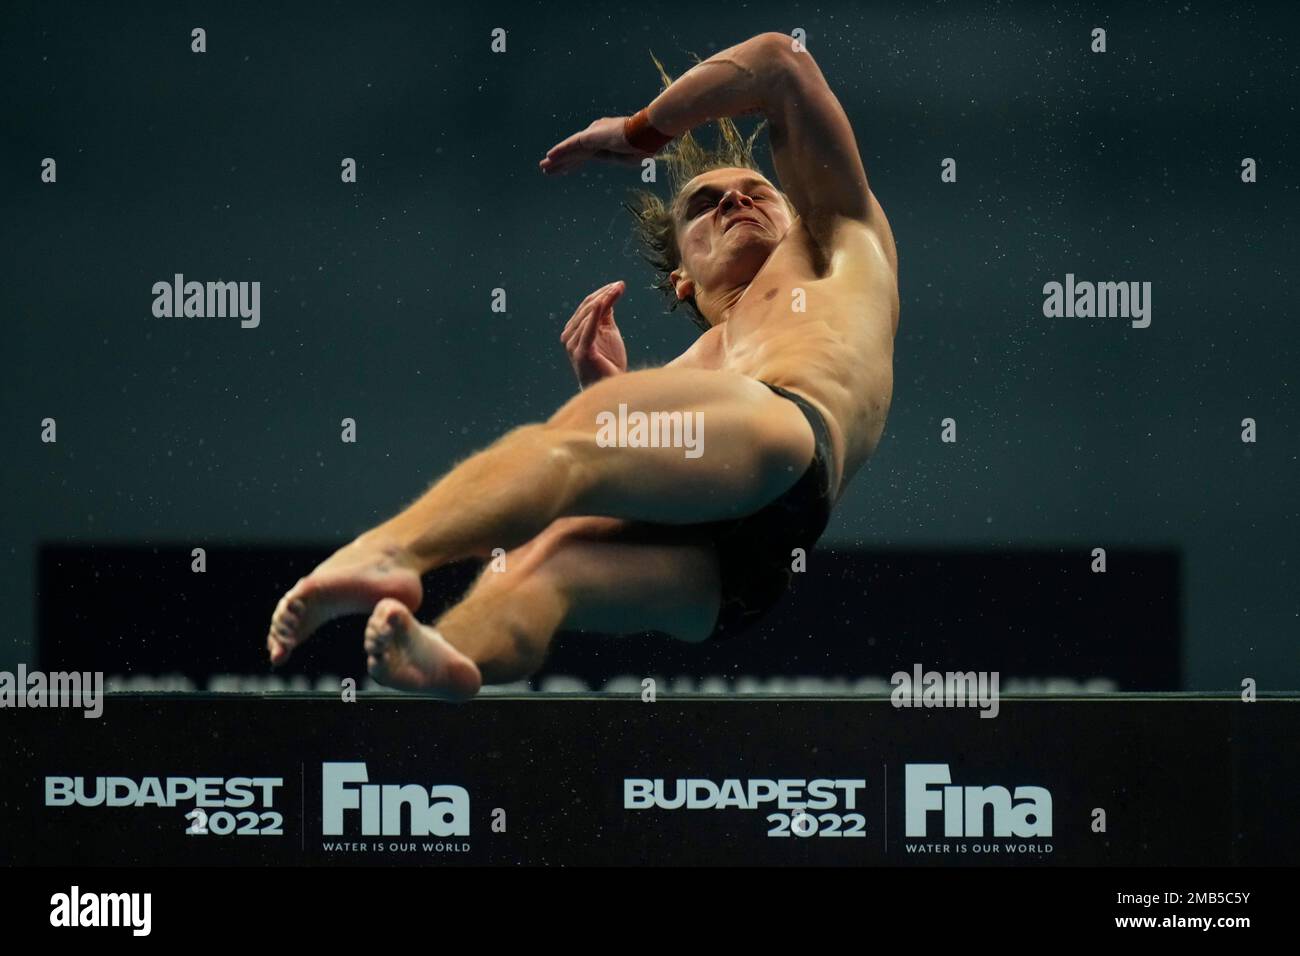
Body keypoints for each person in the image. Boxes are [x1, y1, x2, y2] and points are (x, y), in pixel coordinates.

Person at [265, 31, 899, 698]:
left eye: (755, 192)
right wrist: (614, 390)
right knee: (545, 562)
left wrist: (642, 131)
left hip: (797, 439)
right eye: (704, 206)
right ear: (681, 275)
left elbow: (779, 63)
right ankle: (447, 653)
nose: (736, 201)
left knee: (582, 433)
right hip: (735, 580)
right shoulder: (698, 368)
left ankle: (389, 551)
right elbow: (665, 468)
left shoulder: (837, 238)